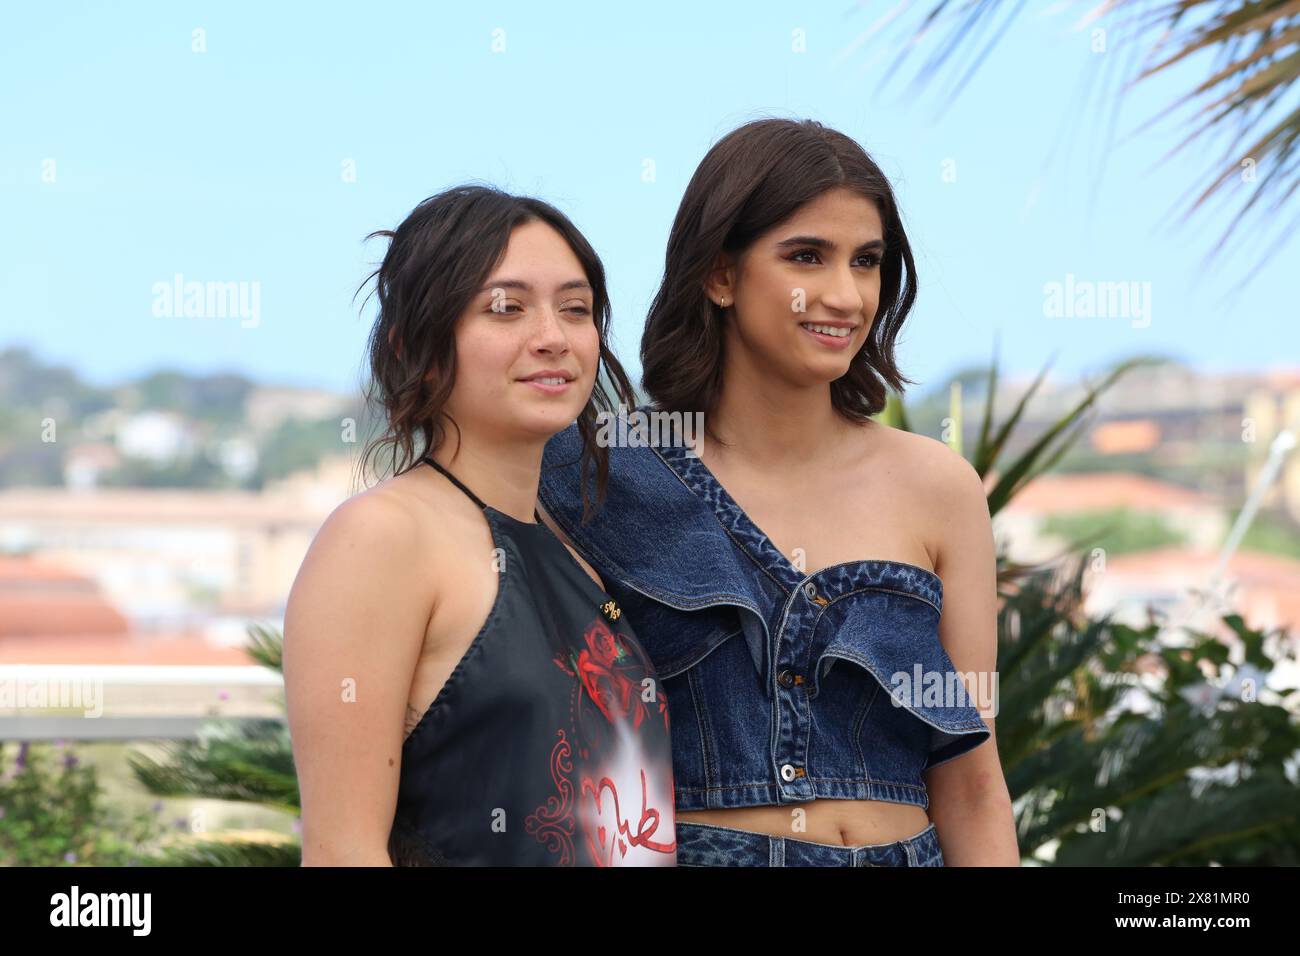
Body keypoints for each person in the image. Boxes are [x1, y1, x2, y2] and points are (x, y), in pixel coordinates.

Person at [538, 118, 1019, 866]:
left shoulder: (937, 487)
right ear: (719, 274)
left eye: (866, 262)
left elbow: (973, 787)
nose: (846, 294)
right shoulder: (601, 472)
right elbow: (558, 763)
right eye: (806, 257)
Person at [284, 185, 677, 866]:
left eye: (576, 309)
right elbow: (343, 850)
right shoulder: (382, 539)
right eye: (507, 307)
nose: (552, 337)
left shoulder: (573, 554)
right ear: (421, 345)